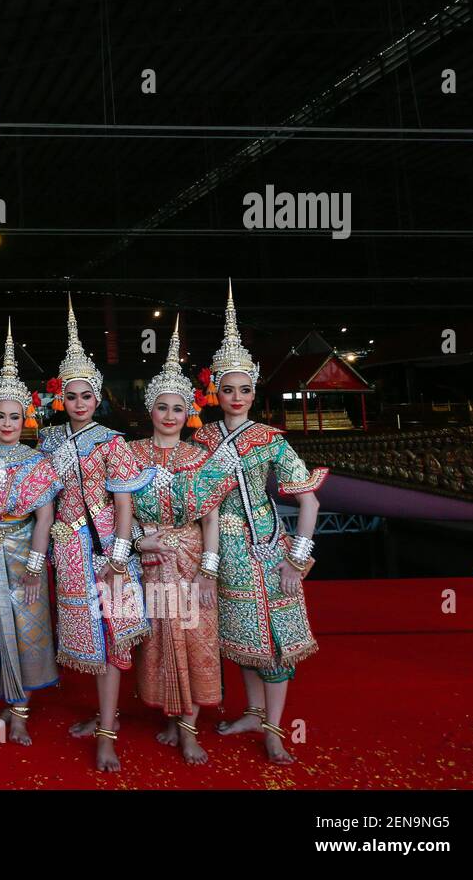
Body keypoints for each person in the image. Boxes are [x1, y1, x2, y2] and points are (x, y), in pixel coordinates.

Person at [193, 281, 327, 765]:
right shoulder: (204, 440)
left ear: (254, 390)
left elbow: (308, 503)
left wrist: (298, 557)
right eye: (227, 389)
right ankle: (252, 712)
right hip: (223, 548)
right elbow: (197, 500)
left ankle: (274, 728)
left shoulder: (270, 440)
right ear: (216, 392)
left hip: (267, 545)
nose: (236, 397)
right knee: (243, 636)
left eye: (244, 389)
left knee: (275, 642)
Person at [39, 295, 155, 772]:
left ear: (98, 397)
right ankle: (100, 716)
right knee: (87, 637)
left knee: (112, 638)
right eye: (72, 396)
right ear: (60, 398)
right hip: (66, 547)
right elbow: (40, 498)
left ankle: (107, 731)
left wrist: (118, 555)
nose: (80, 404)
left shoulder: (111, 441)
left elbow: (124, 503)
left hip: (108, 549)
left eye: (88, 396)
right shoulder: (46, 441)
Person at [130, 316, 236, 764]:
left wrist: (210, 572)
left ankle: (189, 727)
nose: (170, 417)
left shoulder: (199, 458)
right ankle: (171, 716)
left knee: (193, 637)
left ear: (188, 411)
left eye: (178, 409)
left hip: (191, 558)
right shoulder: (130, 454)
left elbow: (210, 522)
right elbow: (120, 513)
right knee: (156, 636)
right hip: (151, 559)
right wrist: (139, 541)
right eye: (162, 408)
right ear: (150, 410)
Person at [0, 321, 61, 745]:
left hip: (24, 553)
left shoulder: (38, 461)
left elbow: (44, 518)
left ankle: (20, 711)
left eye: (14, 416)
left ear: (25, 417)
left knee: (26, 626)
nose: (7, 423)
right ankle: (7, 697)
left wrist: (37, 565)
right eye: (1, 416)